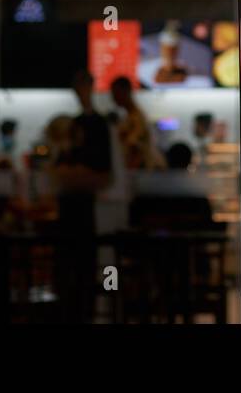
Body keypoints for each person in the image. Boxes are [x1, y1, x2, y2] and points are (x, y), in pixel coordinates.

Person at [52, 69, 113, 322]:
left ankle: (82, 313)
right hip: (73, 207)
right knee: (72, 267)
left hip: (83, 206)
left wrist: (74, 175)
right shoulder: (80, 123)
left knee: (82, 267)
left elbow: (102, 172)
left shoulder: (96, 124)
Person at [111, 75, 163, 170]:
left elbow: (134, 148)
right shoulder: (130, 117)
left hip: (140, 172)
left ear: (126, 91)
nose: (113, 97)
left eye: (116, 93)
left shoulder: (137, 118)